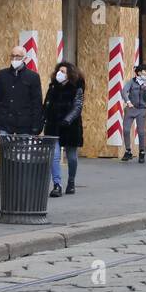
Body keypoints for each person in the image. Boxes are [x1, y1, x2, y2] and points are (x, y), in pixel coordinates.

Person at [43, 62, 84, 197]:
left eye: (63, 71)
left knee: (71, 157)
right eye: (59, 71)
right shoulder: (53, 88)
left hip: (70, 126)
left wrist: (67, 120)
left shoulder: (76, 88)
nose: (60, 74)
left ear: (70, 74)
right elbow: (46, 104)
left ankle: (71, 181)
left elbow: (77, 106)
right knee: (54, 156)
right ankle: (57, 184)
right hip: (53, 126)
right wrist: (43, 118)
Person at [0, 46, 43, 137]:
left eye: (18, 56)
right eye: (12, 56)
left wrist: (36, 125)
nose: (14, 59)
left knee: (22, 150)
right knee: (5, 150)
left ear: (24, 58)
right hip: (5, 121)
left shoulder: (33, 77)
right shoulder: (2, 75)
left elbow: (37, 102)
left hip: (24, 124)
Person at [122, 63, 146, 164]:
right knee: (126, 129)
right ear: (139, 72)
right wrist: (128, 102)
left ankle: (142, 152)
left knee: (141, 132)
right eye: (145, 71)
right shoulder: (132, 82)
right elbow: (124, 91)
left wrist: (145, 88)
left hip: (141, 109)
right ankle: (128, 151)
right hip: (131, 109)